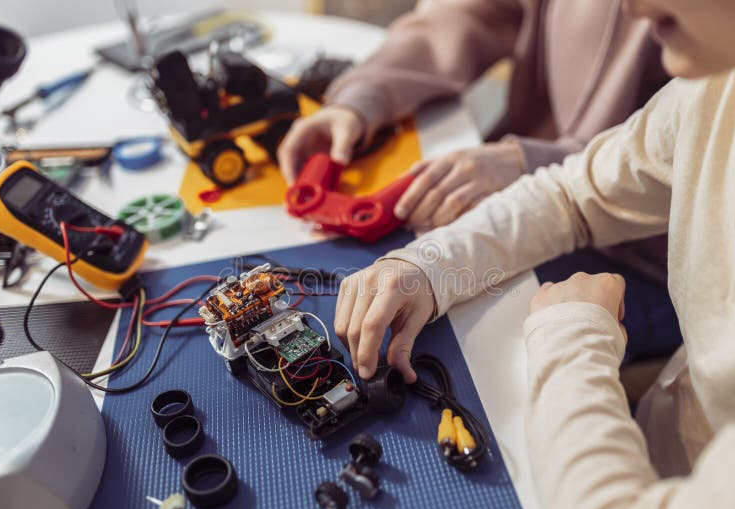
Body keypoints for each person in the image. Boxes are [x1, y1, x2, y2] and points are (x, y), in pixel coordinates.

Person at [334, 0, 735, 509]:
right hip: (638, 439)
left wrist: (572, 337)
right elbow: (574, 194)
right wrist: (431, 265)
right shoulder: (731, 78)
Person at [280, 0, 681, 360]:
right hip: (544, 203)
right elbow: (471, 11)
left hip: (648, 264)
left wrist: (527, 162)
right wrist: (366, 94)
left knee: (483, 358)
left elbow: (663, 159)